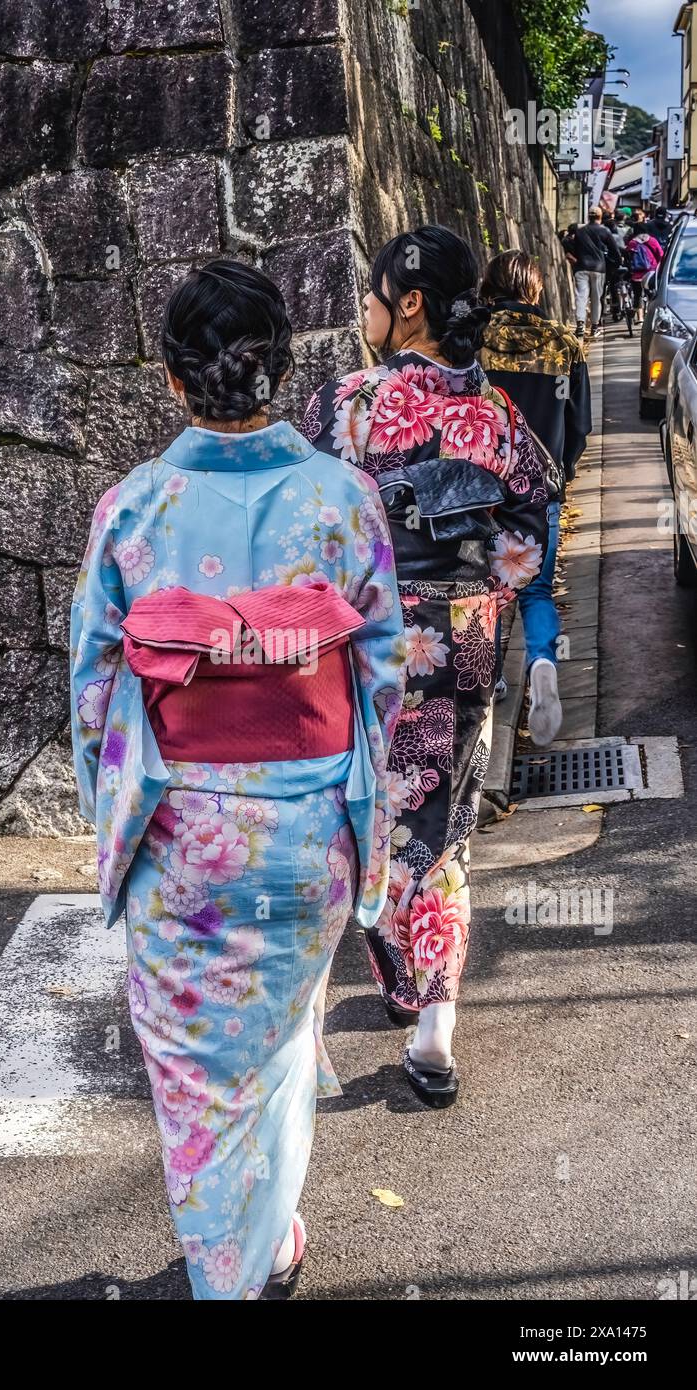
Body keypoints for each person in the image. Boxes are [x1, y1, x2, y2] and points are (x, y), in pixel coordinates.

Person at [71, 260, 405, 1300]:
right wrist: (357, 804)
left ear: (172, 380)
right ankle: (258, 1251)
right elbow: (382, 675)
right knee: (277, 1034)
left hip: (183, 835)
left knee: (195, 1073)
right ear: (278, 368)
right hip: (307, 832)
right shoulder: (343, 501)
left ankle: (233, 1267)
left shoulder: (132, 510)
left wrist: (114, 812)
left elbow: (93, 694)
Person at [302, 227, 550, 1108]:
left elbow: (313, 528)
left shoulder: (349, 404)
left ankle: (337, 1005)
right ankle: (433, 1029)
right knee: (442, 820)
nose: (365, 310)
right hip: (467, 631)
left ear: (407, 302)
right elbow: (529, 534)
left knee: (356, 806)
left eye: (372, 293)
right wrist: (491, 593)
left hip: (365, 634)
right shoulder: (498, 414)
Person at [479, 250, 592, 746]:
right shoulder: (564, 345)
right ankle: (543, 660)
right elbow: (580, 424)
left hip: (483, 488)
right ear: (535, 289)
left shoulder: (475, 341)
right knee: (536, 591)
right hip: (540, 488)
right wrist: (561, 470)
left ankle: (492, 681)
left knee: (487, 592)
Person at [563, 207, 621, 338]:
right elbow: (615, 251)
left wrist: (576, 260)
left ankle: (580, 326)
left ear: (588, 217)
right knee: (596, 298)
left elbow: (573, 248)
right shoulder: (605, 231)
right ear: (600, 217)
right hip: (598, 268)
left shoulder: (579, 231)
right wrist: (615, 264)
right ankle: (594, 328)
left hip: (581, 267)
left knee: (581, 297)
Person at [626, 225, 663, 324]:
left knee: (637, 294)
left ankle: (640, 317)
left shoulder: (632, 243)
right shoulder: (652, 240)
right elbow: (660, 255)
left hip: (637, 274)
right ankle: (652, 315)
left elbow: (628, 258)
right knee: (652, 294)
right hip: (651, 273)